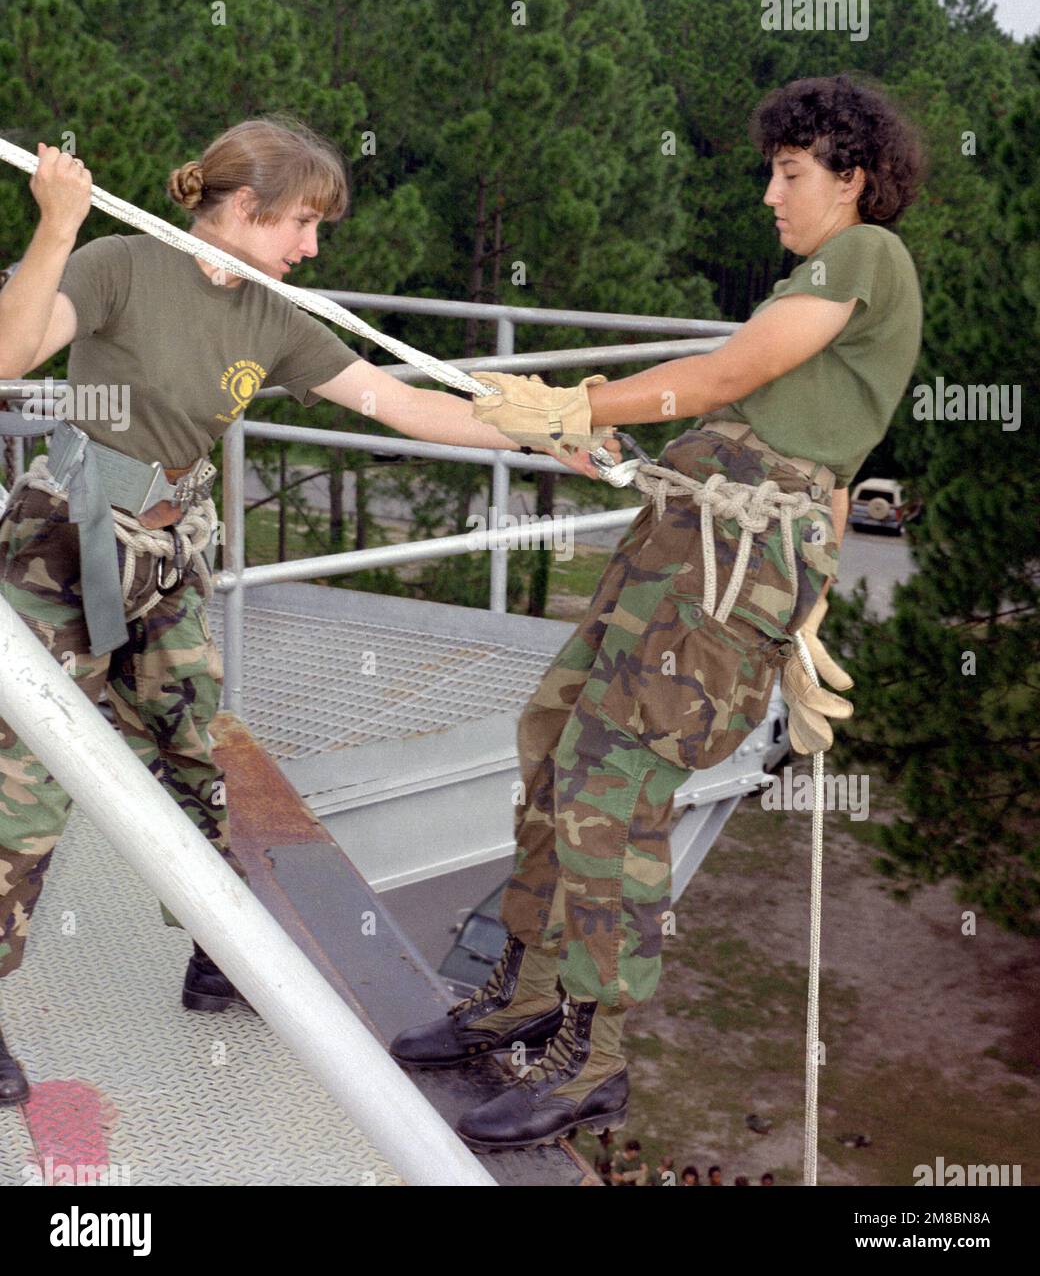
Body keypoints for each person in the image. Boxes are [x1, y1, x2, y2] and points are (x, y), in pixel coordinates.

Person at [0, 115, 610, 1105]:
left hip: (166, 557)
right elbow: (8, 351)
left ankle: (219, 949)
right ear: (242, 209)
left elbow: (399, 403)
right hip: (63, 550)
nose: (313, 247)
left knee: (205, 758)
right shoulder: (117, 263)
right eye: (302, 223)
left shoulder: (274, 312)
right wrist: (57, 225)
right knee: (21, 786)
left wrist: (539, 431)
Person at [390, 72, 925, 1153]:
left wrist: (581, 400)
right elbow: (816, 456)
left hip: (719, 573)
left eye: (788, 174)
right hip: (684, 549)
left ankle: (589, 1055)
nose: (769, 198)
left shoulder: (865, 255)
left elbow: (732, 370)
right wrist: (807, 604)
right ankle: (525, 984)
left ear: (850, 177)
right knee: (552, 734)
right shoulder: (826, 280)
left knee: (611, 787)